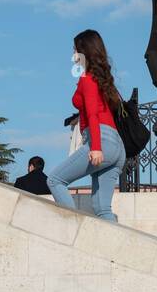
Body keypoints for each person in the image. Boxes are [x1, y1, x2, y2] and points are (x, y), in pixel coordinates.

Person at [47, 28, 126, 224]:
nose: (73, 55)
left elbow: (92, 113)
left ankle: (76, 230)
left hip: (102, 142)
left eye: (75, 50)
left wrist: (96, 147)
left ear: (84, 52)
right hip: (117, 147)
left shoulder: (88, 79)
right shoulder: (101, 80)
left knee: (55, 180)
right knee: (102, 208)